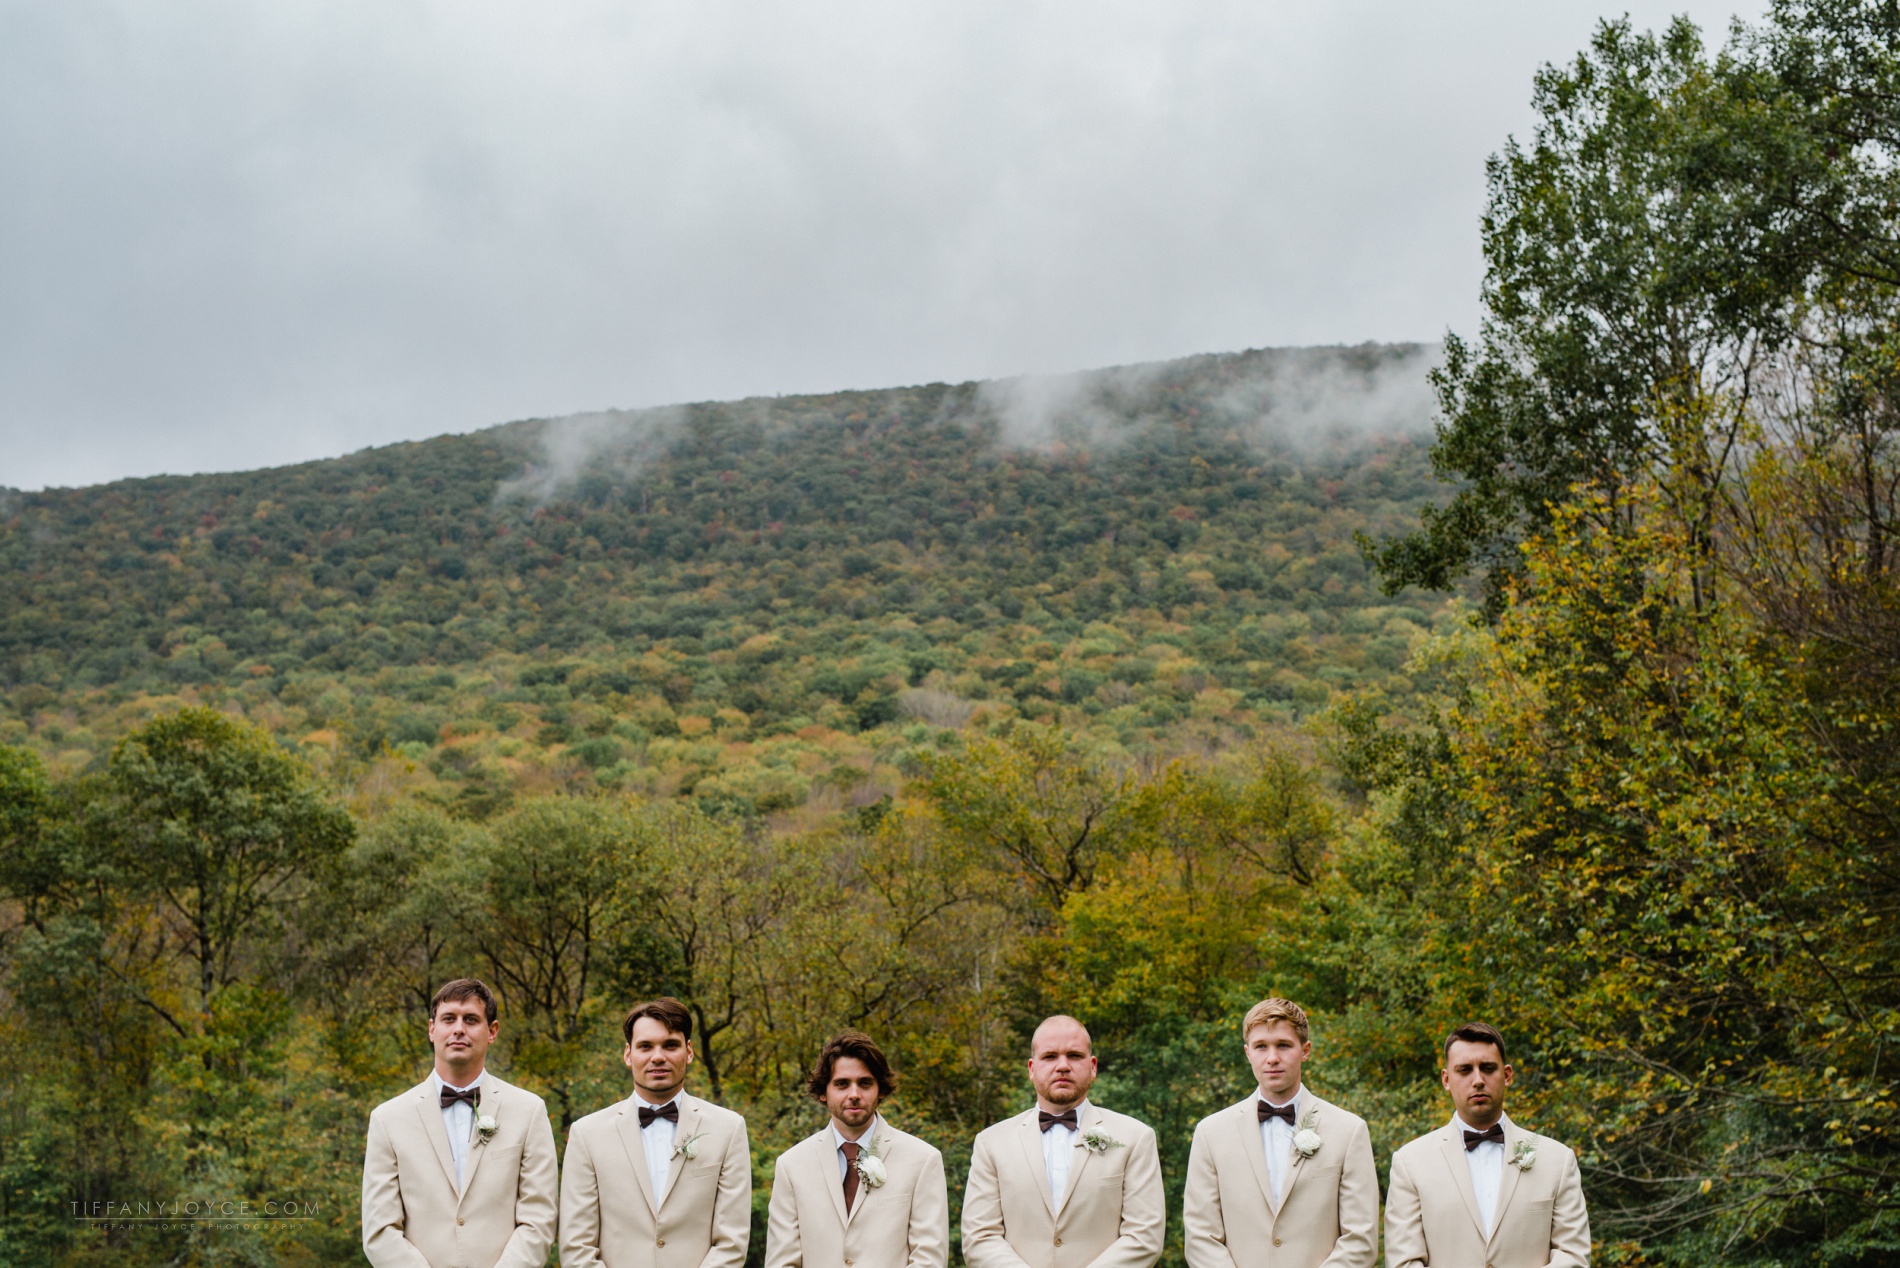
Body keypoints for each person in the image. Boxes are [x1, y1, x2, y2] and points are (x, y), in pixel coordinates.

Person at [361, 978, 558, 1268]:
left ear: (492, 1031)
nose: (458, 1029)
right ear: (432, 1029)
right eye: (448, 1019)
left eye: (471, 1019)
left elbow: (539, 1220)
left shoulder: (529, 1111)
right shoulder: (387, 1119)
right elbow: (380, 1230)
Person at [1183, 998, 1378, 1268]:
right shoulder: (1210, 1133)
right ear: (1247, 1052)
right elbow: (1200, 1237)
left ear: (1305, 1050)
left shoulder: (1349, 1131)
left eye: (1283, 1045)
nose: (1272, 1058)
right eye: (1261, 1046)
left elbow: (1360, 1239)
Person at [561, 997, 753, 1268]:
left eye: (670, 1045)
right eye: (645, 1046)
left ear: (689, 1051)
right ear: (628, 1054)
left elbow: (731, 1243)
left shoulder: (729, 1128)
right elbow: (576, 1245)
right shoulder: (587, 1134)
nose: (658, 1056)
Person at [963, 1015, 1165, 1268]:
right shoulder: (990, 1143)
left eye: (1074, 1055)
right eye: (1049, 1056)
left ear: (1092, 1067)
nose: (1062, 1066)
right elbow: (980, 1238)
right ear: (1031, 1068)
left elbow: (1144, 1237)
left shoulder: (1135, 1137)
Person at [1384, 1022, 1591, 1268]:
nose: (1478, 1080)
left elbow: (1573, 1255)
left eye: (1488, 1068)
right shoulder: (1410, 1163)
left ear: (1507, 1075)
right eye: (1464, 1070)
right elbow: (1404, 1261)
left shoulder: (1557, 1160)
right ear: (1446, 1079)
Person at [764, 1030, 949, 1268]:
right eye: (842, 1084)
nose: (854, 1094)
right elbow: (782, 1261)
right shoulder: (791, 1166)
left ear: (880, 1089)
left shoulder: (923, 1160)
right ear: (823, 1092)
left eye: (865, 1083)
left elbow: (929, 1259)